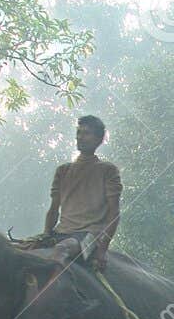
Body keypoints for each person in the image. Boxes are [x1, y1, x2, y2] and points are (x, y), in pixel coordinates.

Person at [43, 114, 121, 272]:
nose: (81, 137)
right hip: (60, 232)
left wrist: (102, 249)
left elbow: (114, 213)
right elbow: (53, 209)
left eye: (86, 133)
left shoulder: (108, 170)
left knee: (61, 250)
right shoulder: (63, 170)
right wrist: (45, 235)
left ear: (99, 139)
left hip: (88, 235)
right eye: (79, 132)